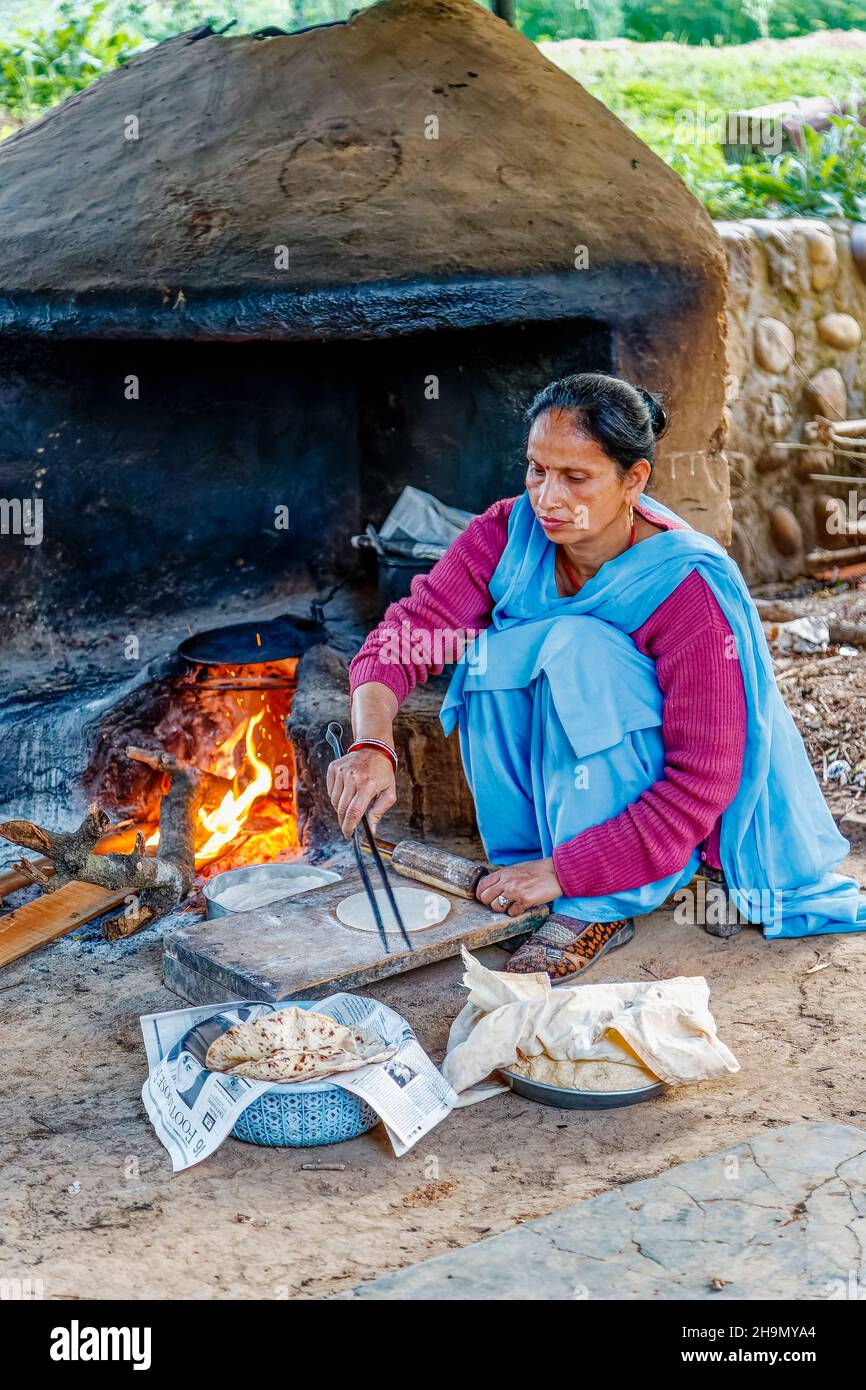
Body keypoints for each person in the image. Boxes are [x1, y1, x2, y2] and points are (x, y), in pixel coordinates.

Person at [328, 373, 866, 983]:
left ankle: (598, 901)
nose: (547, 500)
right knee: (492, 655)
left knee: (574, 646)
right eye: (537, 470)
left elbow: (703, 781)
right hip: (560, 824)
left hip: (655, 807)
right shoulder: (507, 534)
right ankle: (530, 862)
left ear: (634, 480)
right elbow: (407, 635)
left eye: (576, 478)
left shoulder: (685, 589)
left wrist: (570, 874)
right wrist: (371, 743)